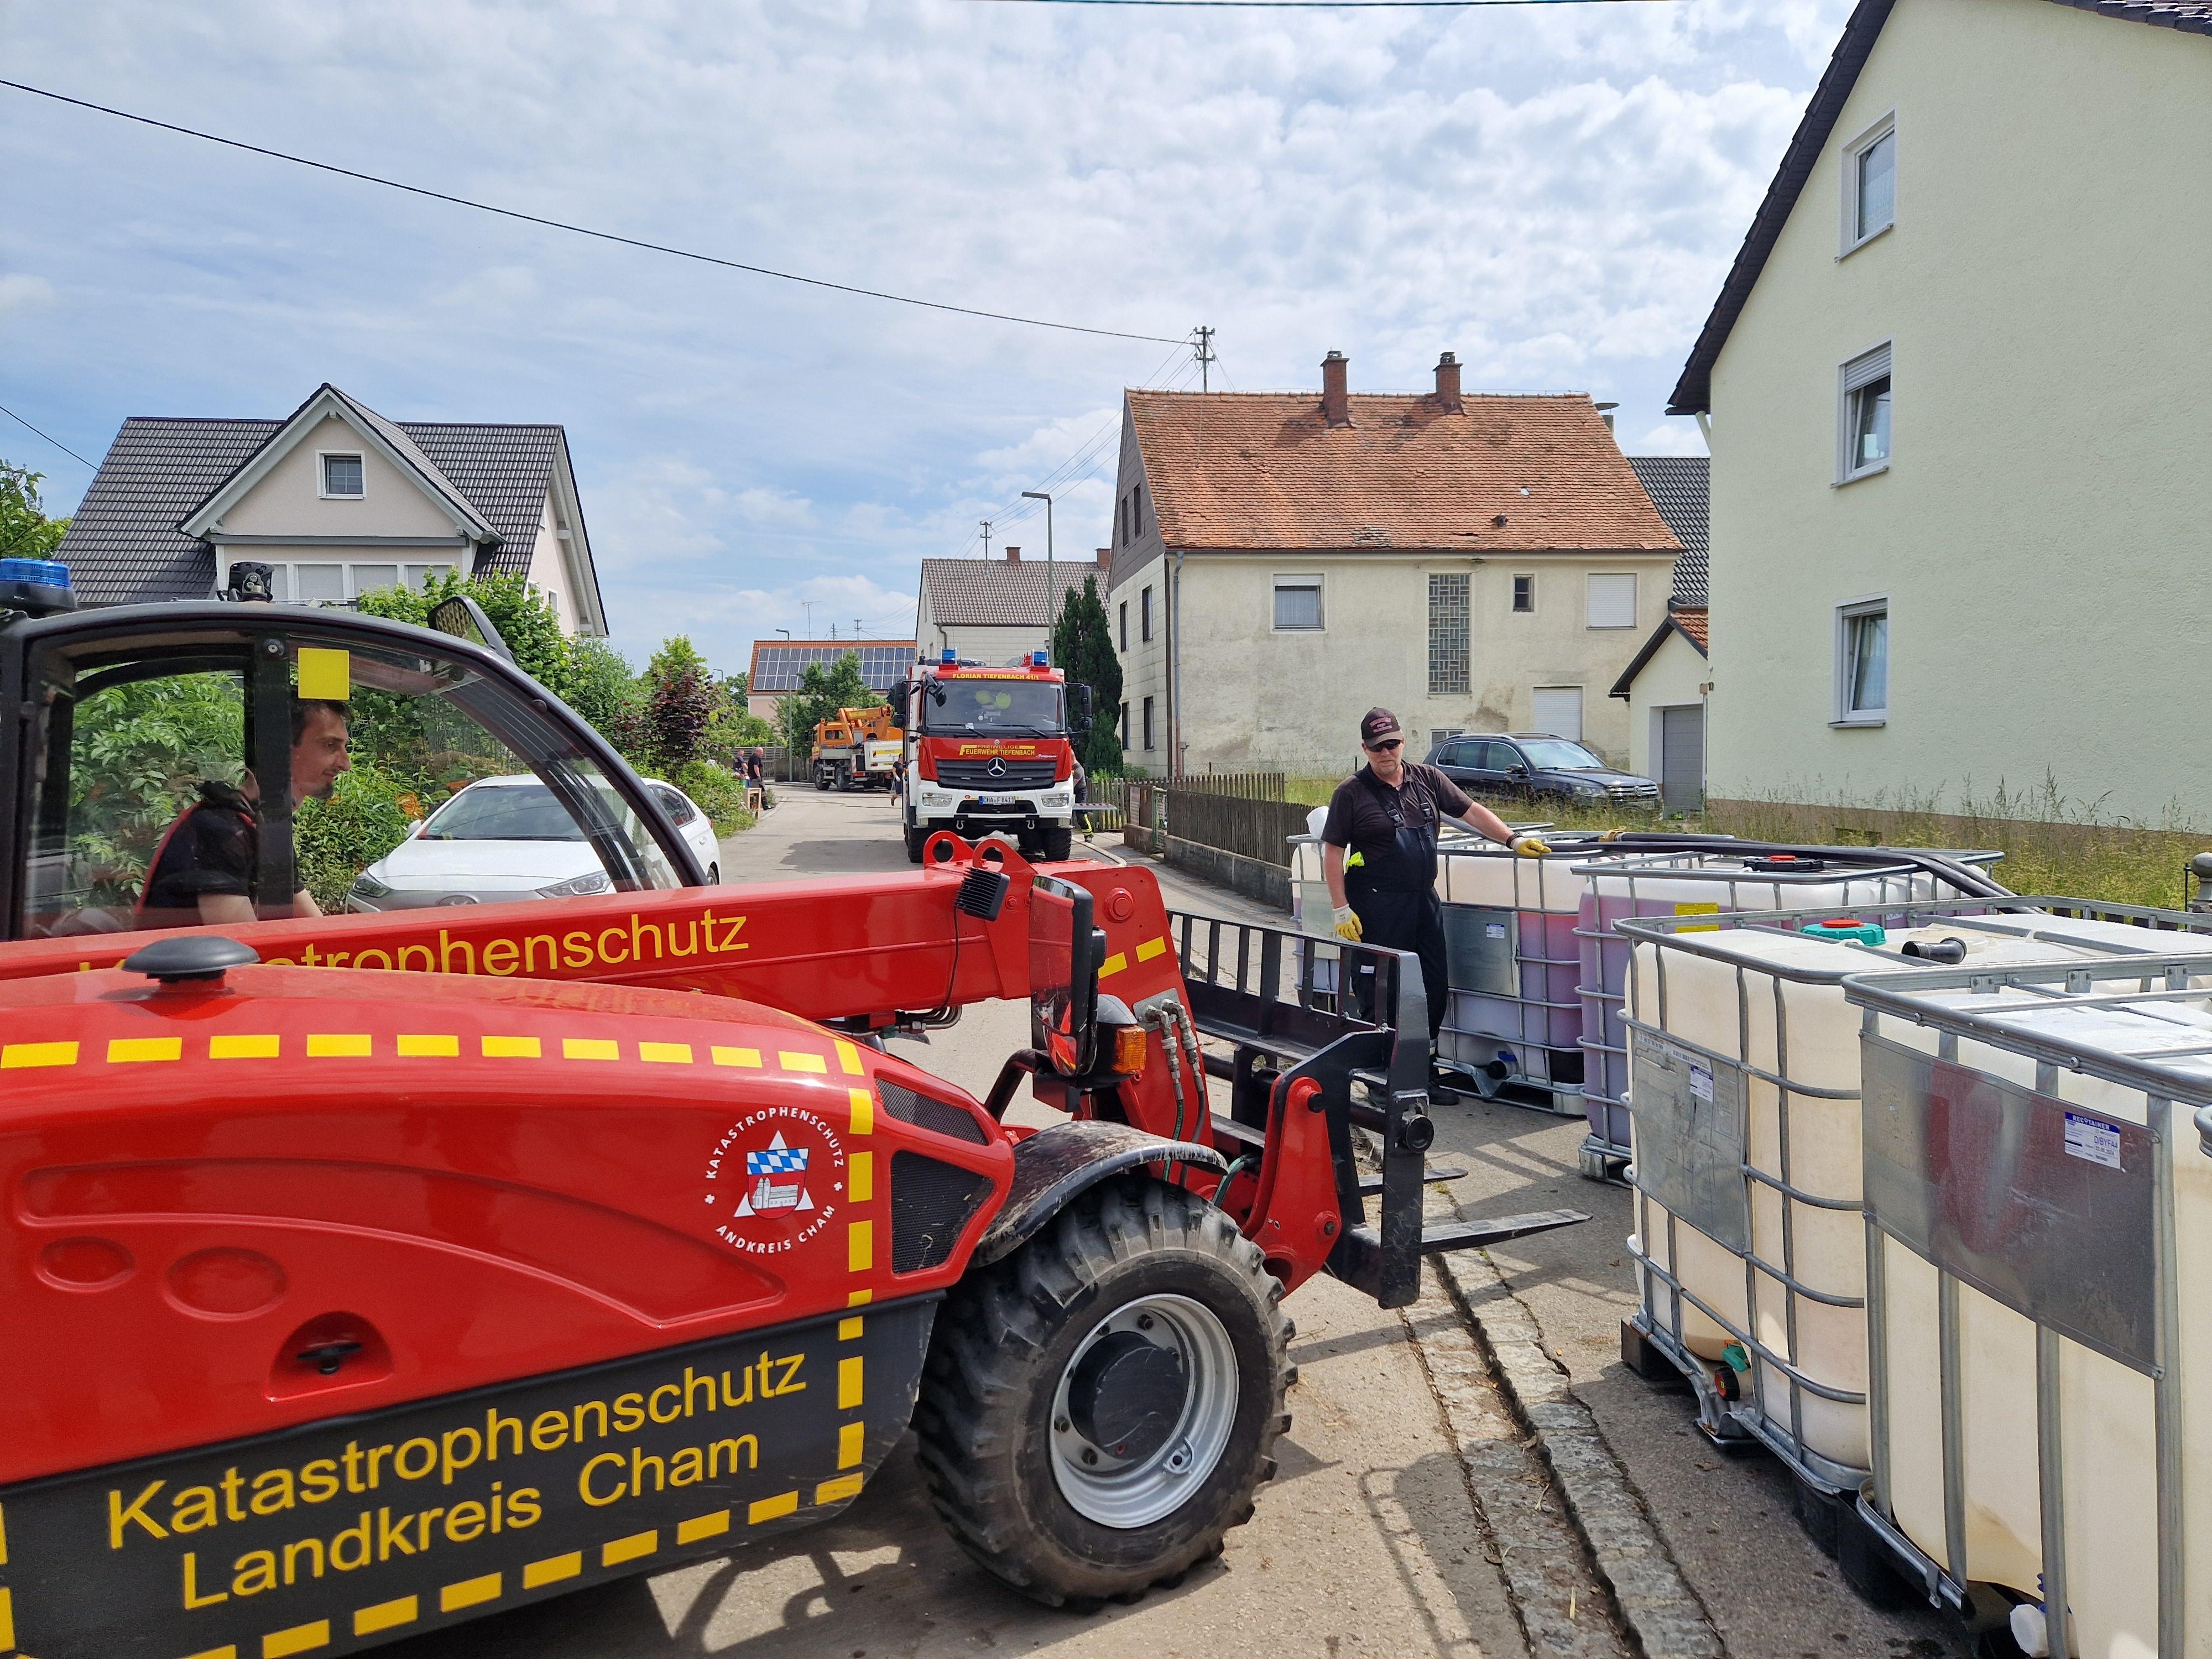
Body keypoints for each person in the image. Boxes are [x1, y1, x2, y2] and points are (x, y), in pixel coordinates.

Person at [1321, 708, 1549, 1074]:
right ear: (1365, 749)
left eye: (1392, 744)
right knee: (1381, 993)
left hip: (1423, 902)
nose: (1386, 753)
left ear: (1403, 742)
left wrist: (1512, 839)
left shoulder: (1427, 778)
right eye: (1378, 747)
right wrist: (1340, 908)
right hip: (1377, 905)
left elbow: (1472, 812)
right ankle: (1381, 1076)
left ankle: (1423, 1073)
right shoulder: (1351, 793)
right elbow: (1332, 851)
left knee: (1432, 987)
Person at [136, 698, 353, 928]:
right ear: (280, 754)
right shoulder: (222, 832)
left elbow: (315, 929)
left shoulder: (263, 826)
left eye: (344, 748)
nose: (346, 764)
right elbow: (246, 949)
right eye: (330, 746)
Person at [744, 747, 767, 813]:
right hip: (756, 778)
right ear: (757, 752)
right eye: (761, 752)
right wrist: (758, 776)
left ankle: (764, 805)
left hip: (752, 778)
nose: (762, 754)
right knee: (761, 790)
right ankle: (764, 805)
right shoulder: (756, 758)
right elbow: (756, 767)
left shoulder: (752, 758)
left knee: (756, 792)